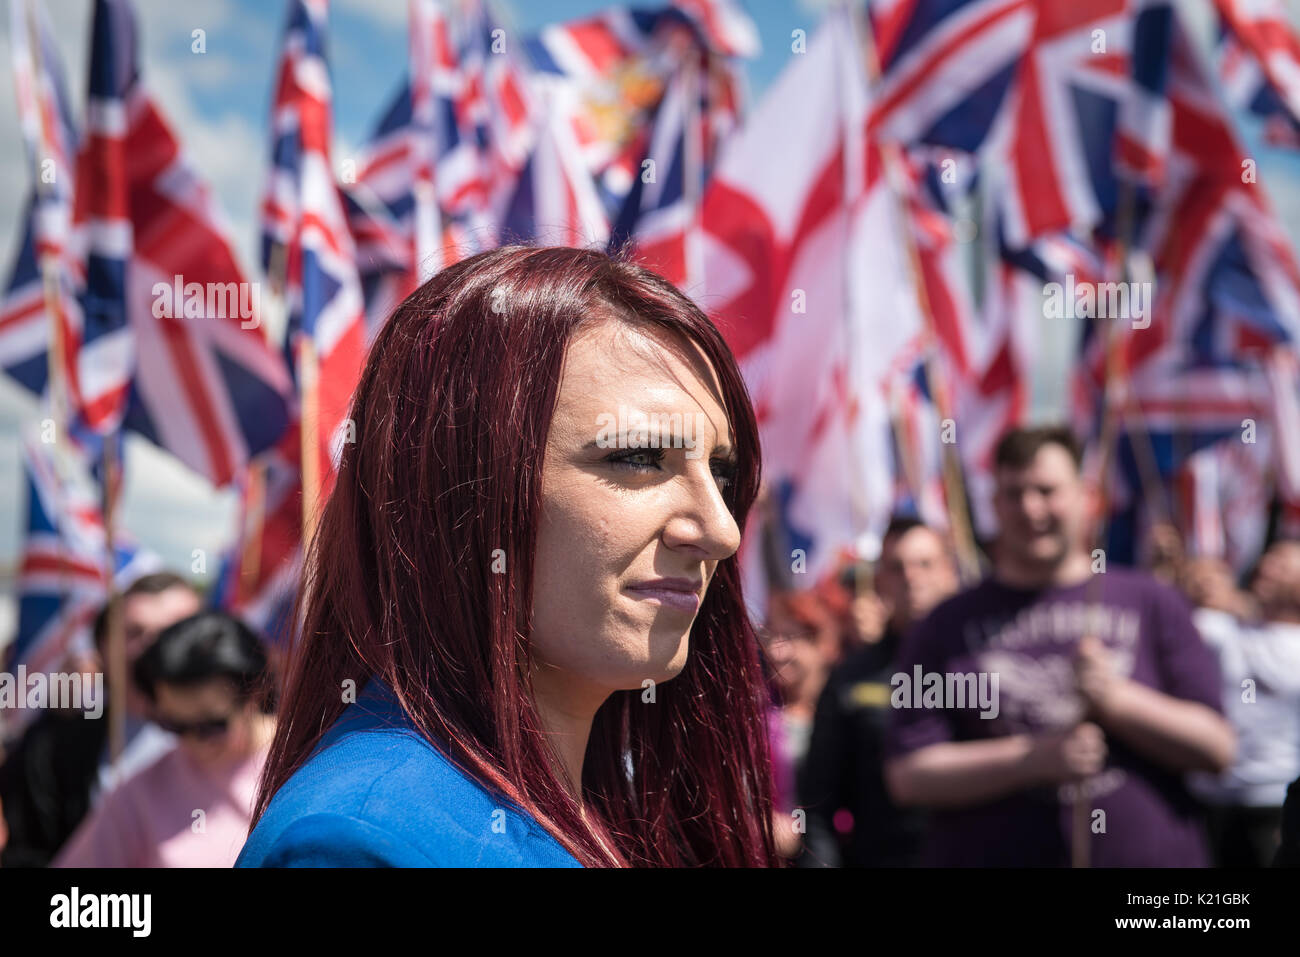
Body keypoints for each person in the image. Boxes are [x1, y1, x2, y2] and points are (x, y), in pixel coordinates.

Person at [237, 246, 780, 868]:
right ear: (454, 489)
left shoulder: (613, 814)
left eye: (721, 472)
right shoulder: (359, 844)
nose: (720, 530)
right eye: (637, 457)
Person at [883, 425, 1235, 866]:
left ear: (1086, 497)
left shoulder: (1154, 601)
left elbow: (1218, 748)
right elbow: (907, 776)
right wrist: (1030, 760)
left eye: (1047, 490)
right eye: (1014, 494)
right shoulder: (941, 625)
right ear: (995, 505)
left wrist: (1118, 701)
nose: (1031, 509)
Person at [0, 571, 200, 867]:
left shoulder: (237, 743)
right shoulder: (53, 746)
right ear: (104, 646)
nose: (151, 649)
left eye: (170, 633)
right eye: (134, 633)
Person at [54, 612, 274, 867]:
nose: (192, 741)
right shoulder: (139, 795)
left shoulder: (308, 760)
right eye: (174, 725)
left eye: (210, 726)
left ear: (255, 694)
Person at [798, 517, 958, 867]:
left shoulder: (987, 668)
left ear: (950, 571)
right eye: (897, 567)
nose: (912, 578)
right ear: (881, 580)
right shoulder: (850, 680)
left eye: (925, 564)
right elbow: (817, 813)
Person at [1190, 540, 1300, 866]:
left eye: (1282, 565)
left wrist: (1240, 604)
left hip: (1274, 802)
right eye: (1267, 560)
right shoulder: (1227, 628)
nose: (1266, 568)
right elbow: (1175, 620)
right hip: (1211, 801)